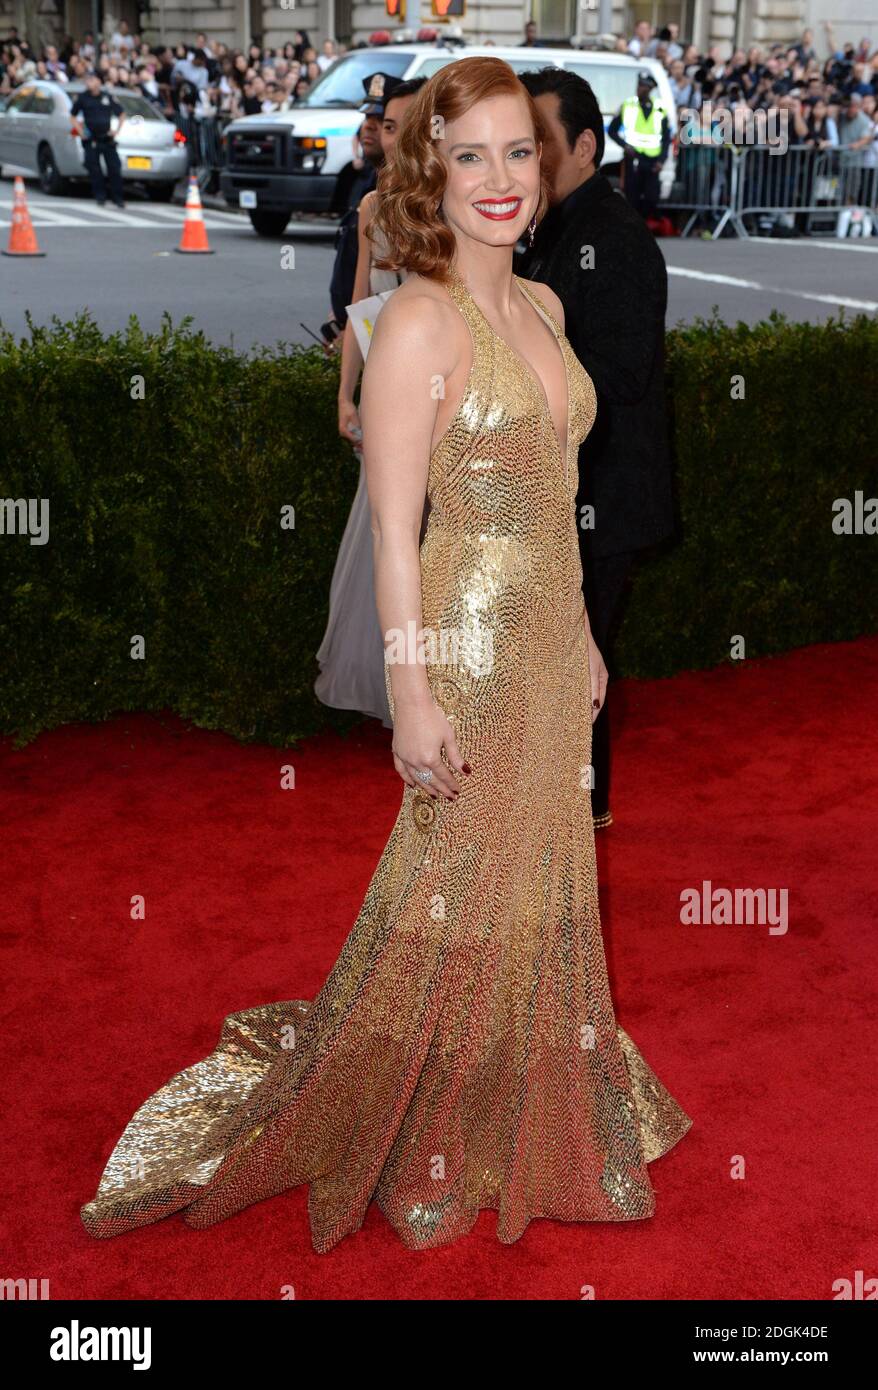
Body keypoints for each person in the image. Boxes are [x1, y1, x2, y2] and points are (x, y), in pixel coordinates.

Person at [80, 56, 691, 1255]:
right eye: (470, 155)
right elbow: (395, 536)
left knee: (534, 867)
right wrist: (411, 694)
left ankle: (515, 1078)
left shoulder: (547, 308)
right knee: (449, 880)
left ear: (548, 161)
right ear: (430, 171)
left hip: (541, 635)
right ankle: (421, 1100)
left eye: (519, 151)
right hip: (458, 636)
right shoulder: (417, 319)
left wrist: (575, 636)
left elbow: (557, 489)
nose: (501, 178)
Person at [517, 67, 673, 829]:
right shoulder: (548, 229)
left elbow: (619, 375)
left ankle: (576, 818)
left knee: (573, 662)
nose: (524, 158)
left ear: (583, 144)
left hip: (600, 497)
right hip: (566, 490)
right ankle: (576, 810)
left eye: (536, 141)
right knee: (563, 661)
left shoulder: (614, 237)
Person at [316, 77, 427, 728]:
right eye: (386, 124)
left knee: (434, 542)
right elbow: (364, 308)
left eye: (404, 123)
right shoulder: (370, 210)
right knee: (388, 535)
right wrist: (345, 394)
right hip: (387, 399)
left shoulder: (455, 206)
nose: (391, 134)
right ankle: (396, 695)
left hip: (443, 402)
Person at [608, 71, 671, 221]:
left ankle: (641, 223)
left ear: (650, 89)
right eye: (639, 85)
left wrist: (661, 161)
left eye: (644, 86)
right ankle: (634, 228)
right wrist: (625, 146)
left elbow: (666, 138)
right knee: (632, 197)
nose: (640, 88)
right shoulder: (628, 105)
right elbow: (612, 130)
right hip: (633, 158)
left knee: (652, 197)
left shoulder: (660, 109)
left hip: (652, 160)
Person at [70, 70, 126, 209]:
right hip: (91, 139)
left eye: (92, 79)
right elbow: (72, 116)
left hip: (107, 138)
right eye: (88, 80)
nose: (89, 82)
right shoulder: (83, 98)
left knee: (114, 168)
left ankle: (118, 198)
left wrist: (116, 131)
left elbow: (121, 113)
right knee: (95, 170)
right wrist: (81, 131)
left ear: (99, 82)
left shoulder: (107, 97)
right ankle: (100, 196)